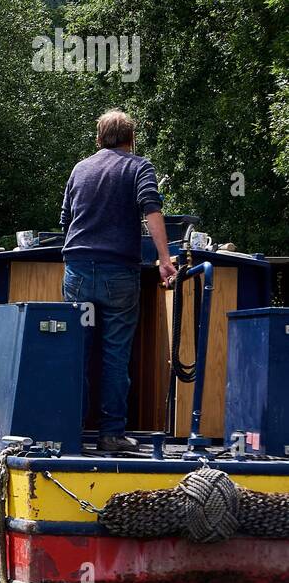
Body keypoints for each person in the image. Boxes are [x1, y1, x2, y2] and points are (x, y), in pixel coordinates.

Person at [60, 110, 178, 453]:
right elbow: (151, 208)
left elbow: (66, 220)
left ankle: (71, 431)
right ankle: (111, 435)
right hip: (118, 275)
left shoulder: (80, 169)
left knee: (76, 353)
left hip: (78, 271)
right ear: (132, 139)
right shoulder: (139, 167)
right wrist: (165, 259)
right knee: (115, 356)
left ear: (98, 139)